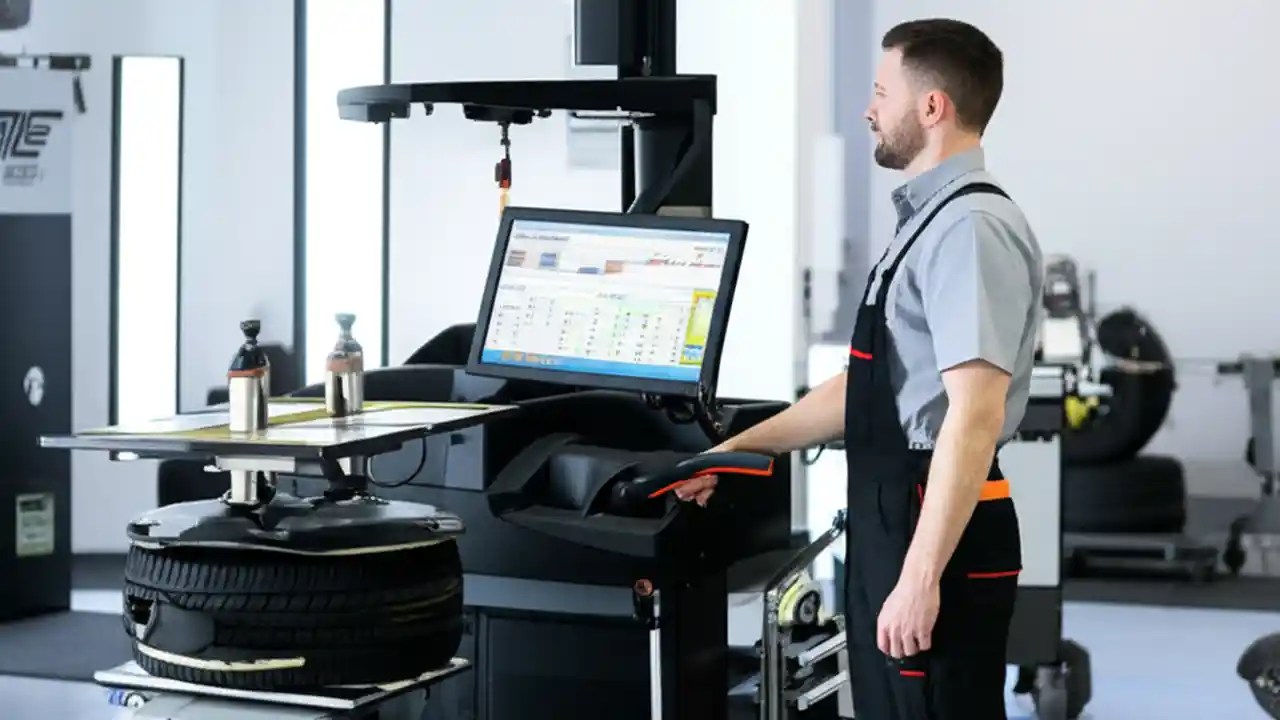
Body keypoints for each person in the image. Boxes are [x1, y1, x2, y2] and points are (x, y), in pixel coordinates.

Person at [676, 17, 1043, 720]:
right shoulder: (928, 224)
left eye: (881, 91)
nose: (869, 109)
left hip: (934, 531)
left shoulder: (968, 230)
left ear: (932, 107)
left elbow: (973, 415)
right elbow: (870, 389)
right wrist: (735, 451)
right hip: (896, 521)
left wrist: (920, 576)